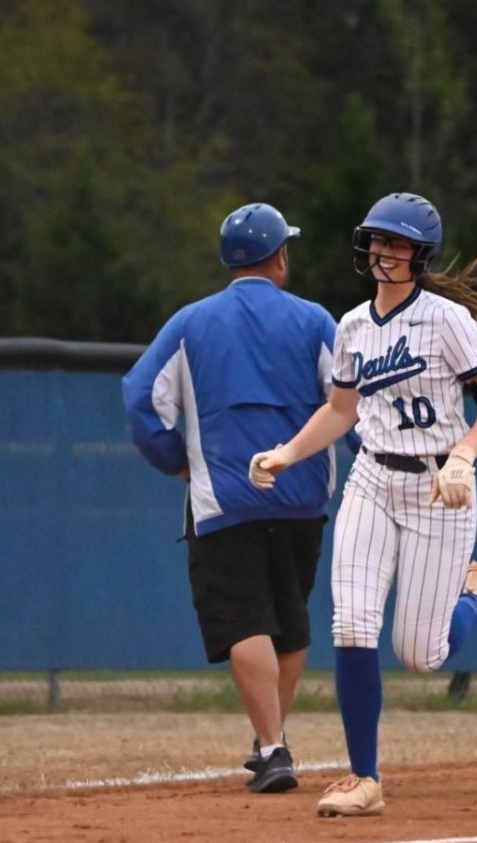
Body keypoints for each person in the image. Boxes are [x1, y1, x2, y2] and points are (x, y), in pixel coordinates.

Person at [248, 191, 477, 817]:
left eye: (398, 242)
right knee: (352, 622)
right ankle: (364, 779)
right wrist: (288, 453)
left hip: (439, 487)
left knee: (420, 654)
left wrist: (464, 454)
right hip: (372, 480)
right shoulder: (351, 326)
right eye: (378, 239)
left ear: (421, 254)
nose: (384, 251)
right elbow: (341, 411)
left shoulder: (446, 319)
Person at [122, 203, 342, 794]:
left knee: (246, 619)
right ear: (280, 257)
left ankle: (271, 747)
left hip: (225, 500)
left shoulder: (190, 323)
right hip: (301, 499)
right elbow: (350, 401)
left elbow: (140, 398)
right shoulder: (316, 321)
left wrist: (178, 461)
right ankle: (272, 741)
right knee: (289, 624)